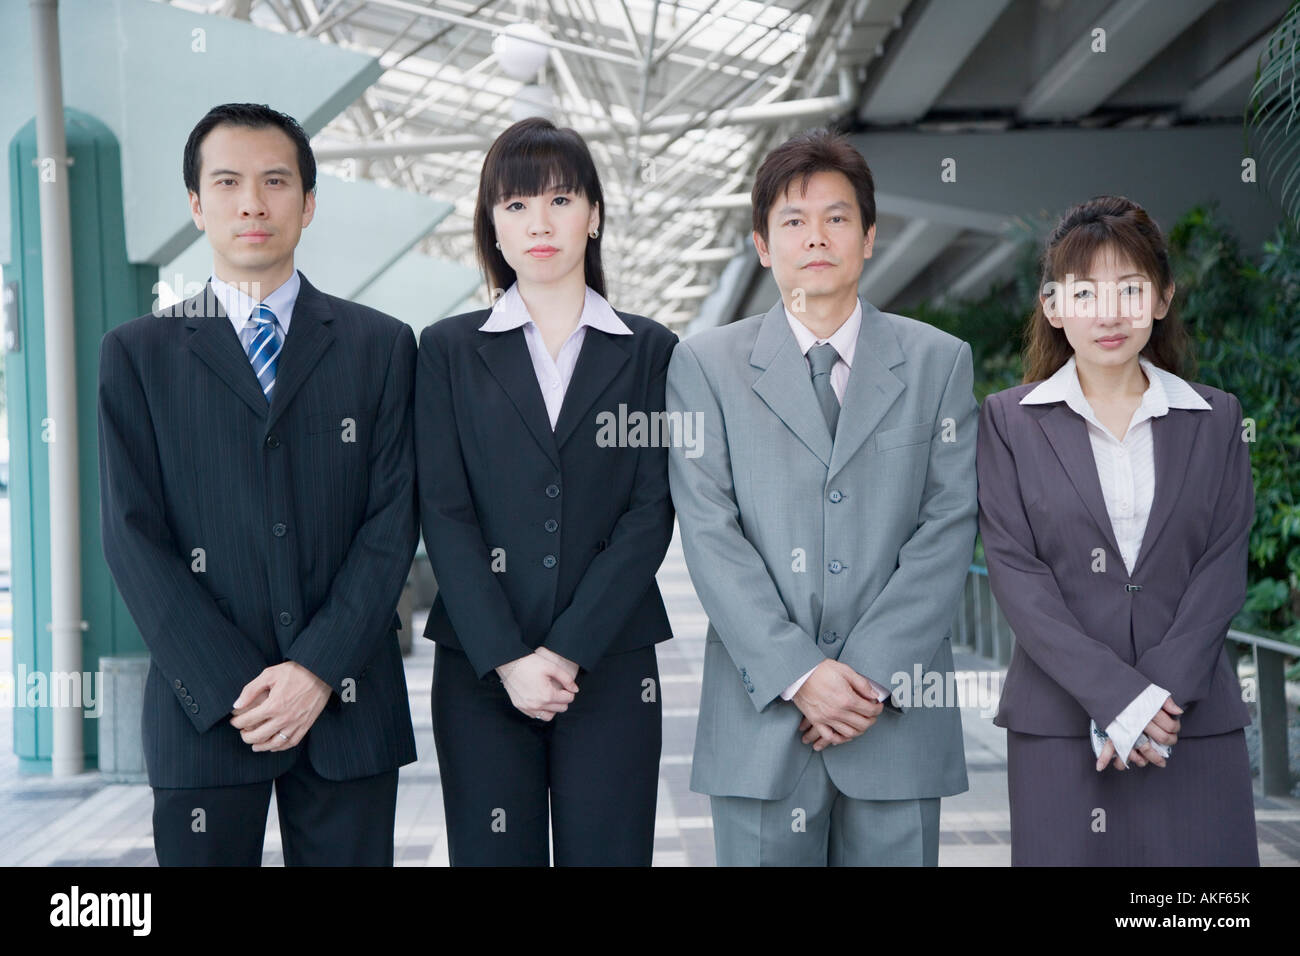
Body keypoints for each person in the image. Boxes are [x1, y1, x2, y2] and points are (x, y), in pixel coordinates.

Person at [98, 103, 418, 866]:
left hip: (348, 706)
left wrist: (315, 670)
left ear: (307, 204)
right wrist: (237, 686)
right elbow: (130, 534)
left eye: (276, 181)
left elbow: (393, 520)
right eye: (229, 182)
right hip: (205, 711)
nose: (253, 202)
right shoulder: (138, 355)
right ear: (196, 204)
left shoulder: (380, 346)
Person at [666, 128, 976, 866]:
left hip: (893, 721)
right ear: (763, 245)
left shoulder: (938, 362)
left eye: (837, 218)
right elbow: (710, 532)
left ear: (869, 237)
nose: (817, 237)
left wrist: (864, 675)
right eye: (793, 221)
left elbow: (949, 522)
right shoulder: (706, 365)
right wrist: (801, 676)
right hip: (762, 722)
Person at [415, 117, 678, 866]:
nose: (540, 223)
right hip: (481, 670)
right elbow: (444, 511)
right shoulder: (447, 352)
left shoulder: (650, 351)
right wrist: (509, 659)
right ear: (492, 227)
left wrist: (566, 650)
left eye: (561, 201)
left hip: (613, 662)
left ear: (594, 216)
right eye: (516, 205)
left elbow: (650, 510)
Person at [977, 194, 1259, 865]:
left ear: (1162, 299)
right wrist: (1117, 696)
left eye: (1131, 289)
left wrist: (1154, 697)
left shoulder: (1215, 419)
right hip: (1060, 728)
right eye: (1086, 292)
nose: (1110, 313)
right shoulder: (1010, 422)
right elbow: (1019, 577)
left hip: (1189, 723)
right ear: (1054, 306)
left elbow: (1221, 567)